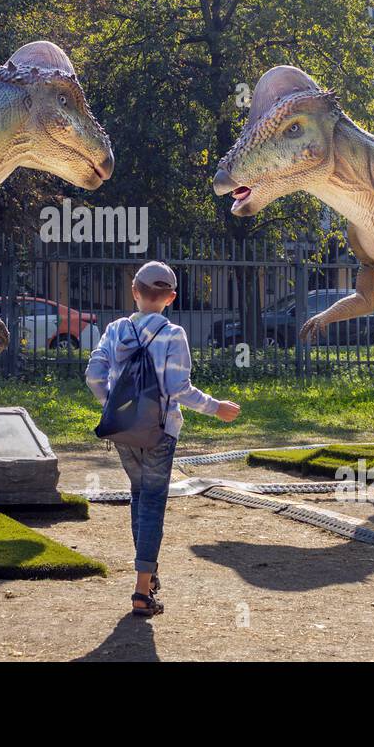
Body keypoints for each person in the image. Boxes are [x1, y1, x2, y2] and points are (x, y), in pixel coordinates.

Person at [85, 260, 241, 617]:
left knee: (139, 497)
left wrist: (113, 404)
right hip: (161, 430)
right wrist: (215, 407)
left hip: (123, 430)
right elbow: (178, 389)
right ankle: (142, 591)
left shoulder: (115, 330)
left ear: (134, 292)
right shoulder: (173, 335)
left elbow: (94, 374)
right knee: (153, 502)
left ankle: (149, 574)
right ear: (170, 297)